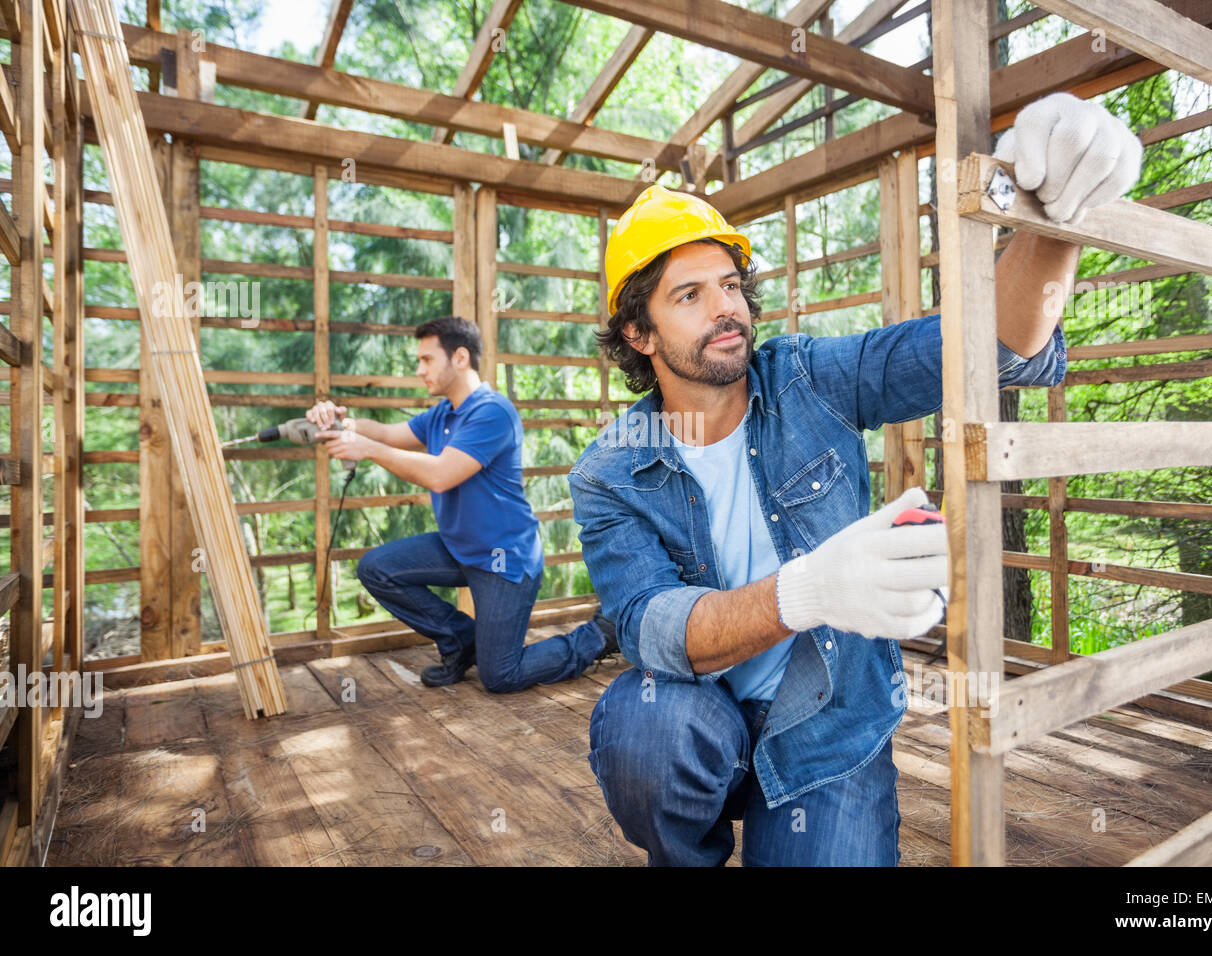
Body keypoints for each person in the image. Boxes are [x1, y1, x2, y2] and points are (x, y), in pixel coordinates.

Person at [567, 92, 1143, 865]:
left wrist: (1051, 223)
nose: (727, 307)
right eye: (690, 295)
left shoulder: (808, 376)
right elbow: (648, 626)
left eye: (730, 283)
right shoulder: (609, 470)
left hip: (828, 718)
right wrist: (806, 592)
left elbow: (984, 346)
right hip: (701, 719)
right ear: (637, 334)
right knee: (642, 726)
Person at [311, 315, 618, 692]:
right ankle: (461, 641)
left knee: (501, 676)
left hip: (504, 559)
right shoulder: (443, 413)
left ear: (459, 358)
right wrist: (343, 423)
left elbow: (442, 473)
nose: (419, 369)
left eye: (426, 359)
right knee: (377, 569)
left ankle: (602, 634)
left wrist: (368, 449)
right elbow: (389, 433)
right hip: (460, 548)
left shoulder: (492, 411)